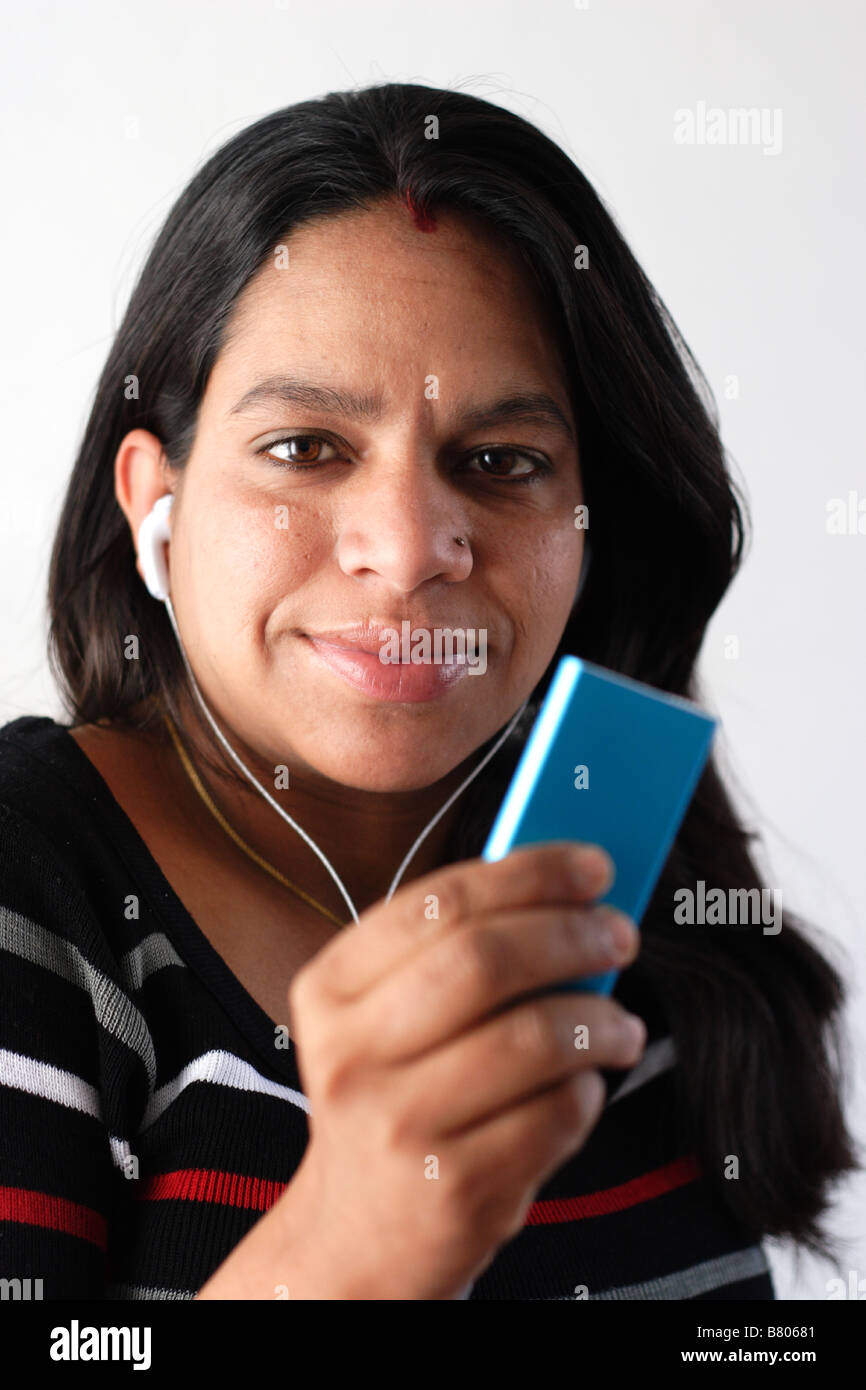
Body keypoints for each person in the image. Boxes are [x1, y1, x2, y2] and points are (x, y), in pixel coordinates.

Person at [0, 82, 857, 1301]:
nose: (407, 547)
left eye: (500, 463)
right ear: (158, 508)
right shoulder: (36, 880)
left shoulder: (622, 902)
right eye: (306, 448)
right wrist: (349, 1241)